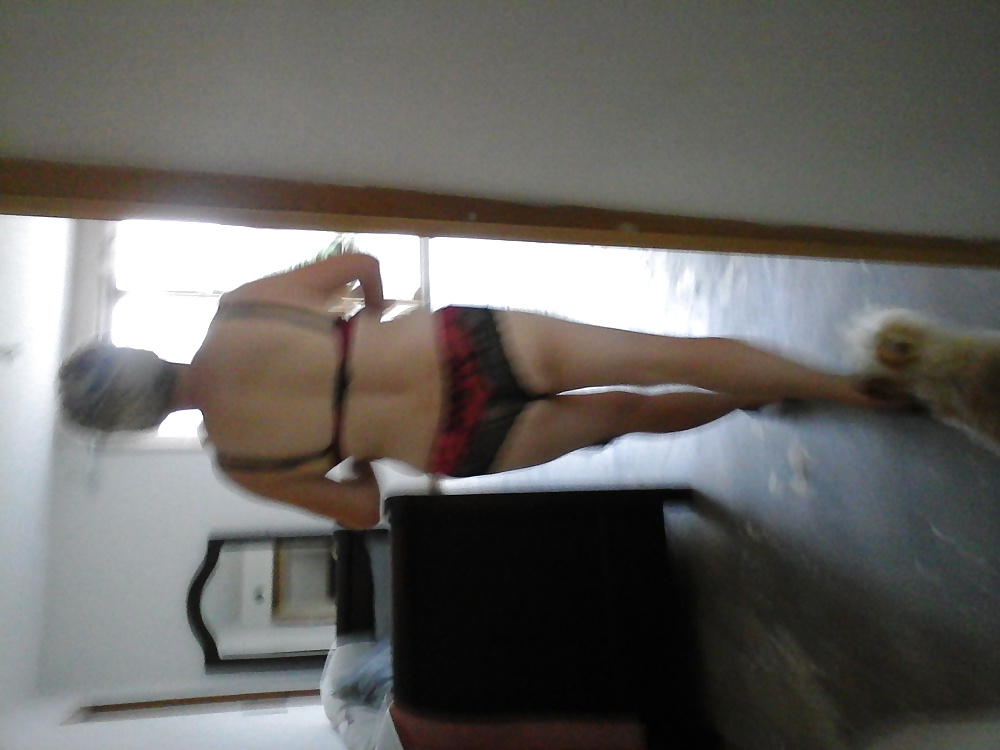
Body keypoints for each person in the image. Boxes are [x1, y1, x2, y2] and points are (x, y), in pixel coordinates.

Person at [59, 252, 893, 528]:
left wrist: (348, 446)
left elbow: (363, 510)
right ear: (136, 353)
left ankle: (749, 396)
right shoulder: (238, 313)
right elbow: (359, 266)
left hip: (453, 442)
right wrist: (373, 322)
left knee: (628, 417)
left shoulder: (241, 465)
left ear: (136, 420)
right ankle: (840, 387)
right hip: (459, 349)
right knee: (655, 355)